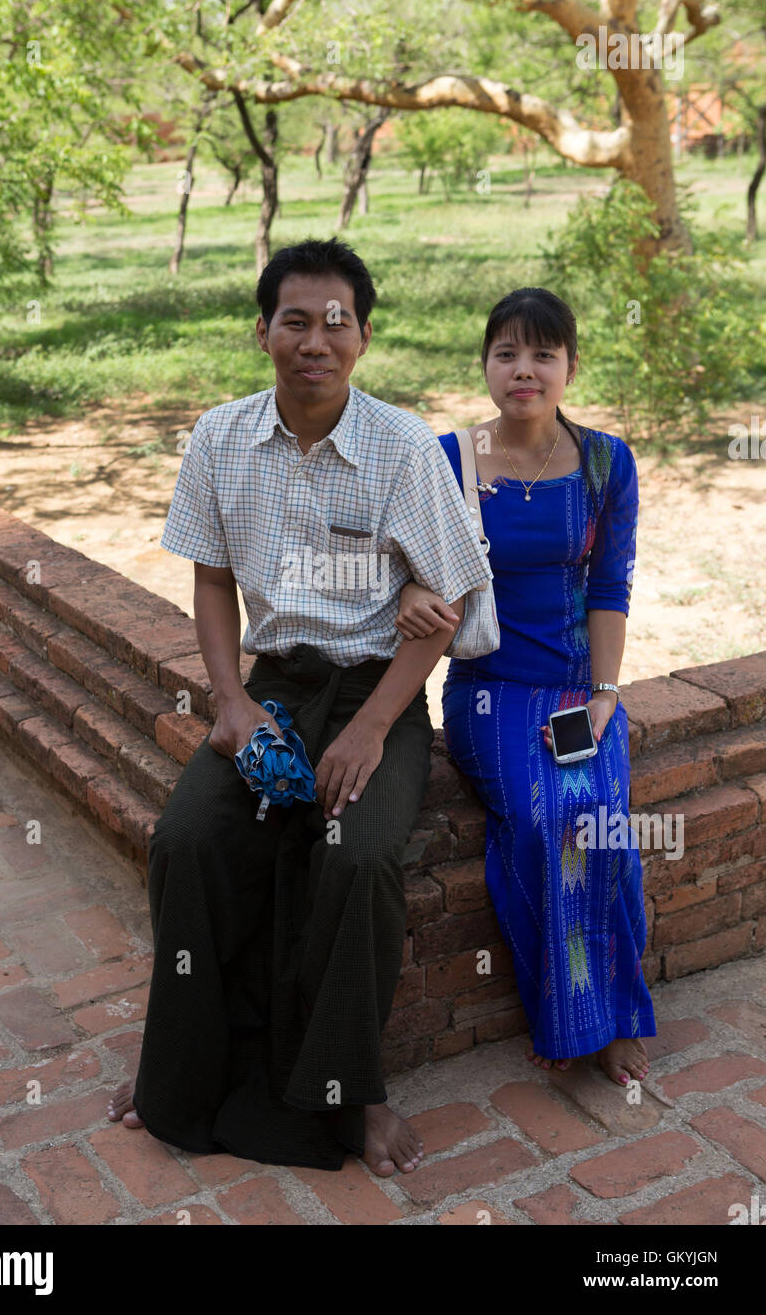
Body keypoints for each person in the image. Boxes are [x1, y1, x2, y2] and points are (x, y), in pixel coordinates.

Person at [107, 238, 494, 1174]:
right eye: (294, 321)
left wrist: (370, 728)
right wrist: (231, 705)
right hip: (273, 687)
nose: (314, 340)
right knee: (189, 841)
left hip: (377, 694)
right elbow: (212, 583)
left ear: (363, 336)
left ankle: (348, 1094)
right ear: (263, 331)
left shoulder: (402, 447)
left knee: (356, 862)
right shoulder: (220, 436)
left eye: (336, 323)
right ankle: (180, 1070)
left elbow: (448, 608)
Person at [395, 287, 657, 1084]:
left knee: (602, 819)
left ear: (570, 365)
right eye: (506, 352)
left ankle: (615, 1017)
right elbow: (404, 564)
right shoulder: (449, 459)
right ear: (485, 365)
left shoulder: (608, 462)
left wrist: (605, 694)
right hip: (489, 690)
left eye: (543, 353)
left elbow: (610, 587)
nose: (524, 370)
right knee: (548, 821)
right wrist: (409, 591)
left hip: (580, 686)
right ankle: (570, 1017)